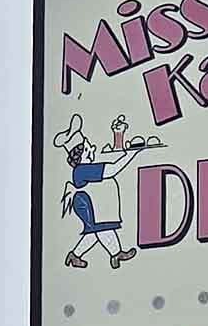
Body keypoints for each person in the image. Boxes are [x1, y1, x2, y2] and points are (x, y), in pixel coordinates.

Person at [54, 113, 144, 270]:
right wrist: (131, 153)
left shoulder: (83, 169)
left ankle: (75, 255)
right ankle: (116, 254)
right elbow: (112, 169)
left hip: (94, 205)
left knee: (94, 233)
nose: (93, 148)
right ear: (81, 153)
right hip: (88, 205)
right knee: (102, 228)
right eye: (89, 147)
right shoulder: (83, 170)